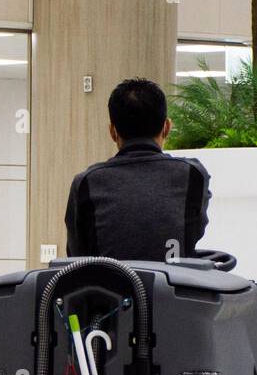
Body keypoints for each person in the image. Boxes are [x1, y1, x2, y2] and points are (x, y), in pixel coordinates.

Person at [65, 78, 211, 262]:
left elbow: (77, 254)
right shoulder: (192, 175)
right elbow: (192, 234)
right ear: (166, 127)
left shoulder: (87, 182)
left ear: (112, 131)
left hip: (105, 289)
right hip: (175, 288)